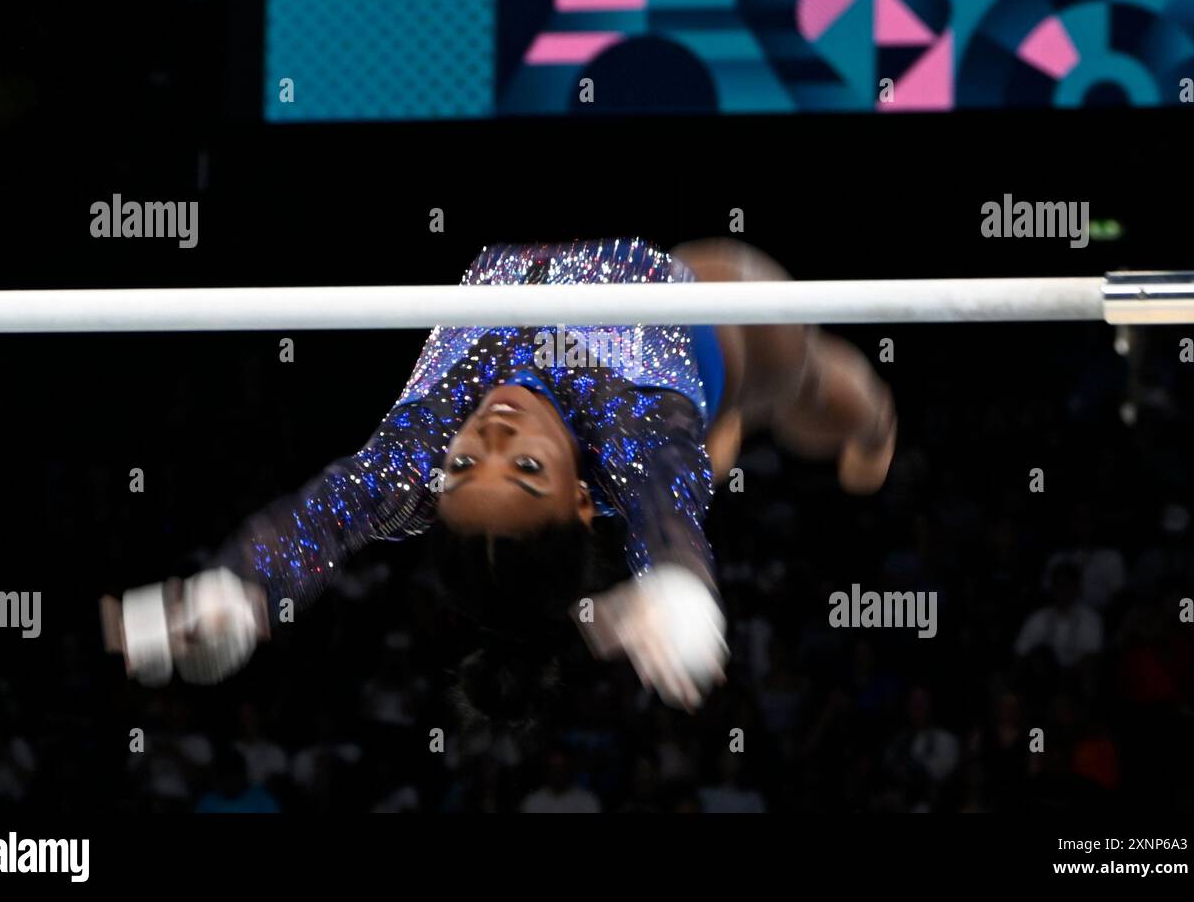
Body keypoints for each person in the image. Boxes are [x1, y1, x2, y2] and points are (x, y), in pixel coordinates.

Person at [108, 238, 895, 716]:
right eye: (525, 467)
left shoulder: (411, 455)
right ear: (581, 494)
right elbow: (663, 505)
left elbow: (317, 521)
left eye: (461, 465)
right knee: (817, 383)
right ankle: (871, 424)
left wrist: (233, 592)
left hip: (657, 374)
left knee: (704, 444)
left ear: (430, 488)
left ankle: (722, 435)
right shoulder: (631, 430)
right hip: (729, 334)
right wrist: (683, 589)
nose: (490, 431)